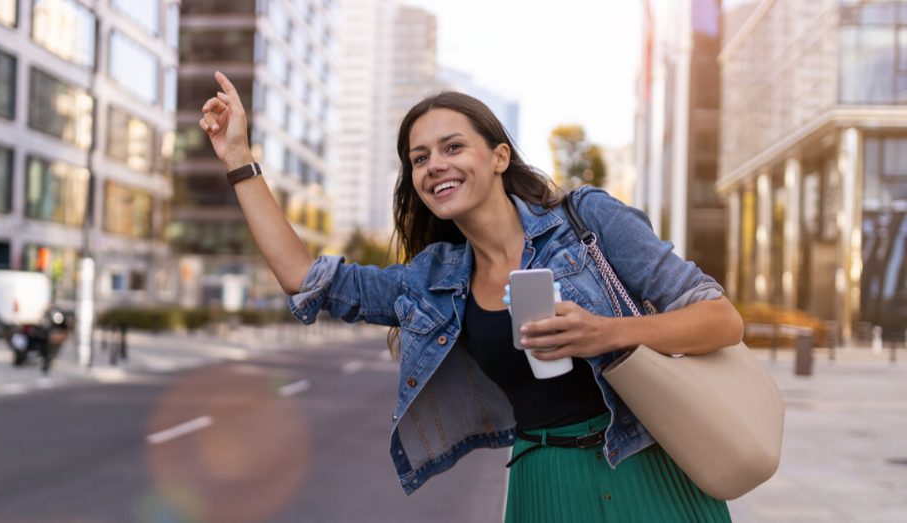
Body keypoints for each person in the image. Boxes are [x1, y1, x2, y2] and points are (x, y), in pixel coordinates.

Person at [200, 71, 742, 522]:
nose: (434, 164)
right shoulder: (431, 279)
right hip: (545, 484)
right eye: (419, 158)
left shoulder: (587, 220)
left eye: (452, 147)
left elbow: (720, 319)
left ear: (499, 157)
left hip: (648, 467)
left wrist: (608, 333)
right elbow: (304, 277)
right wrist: (238, 158)